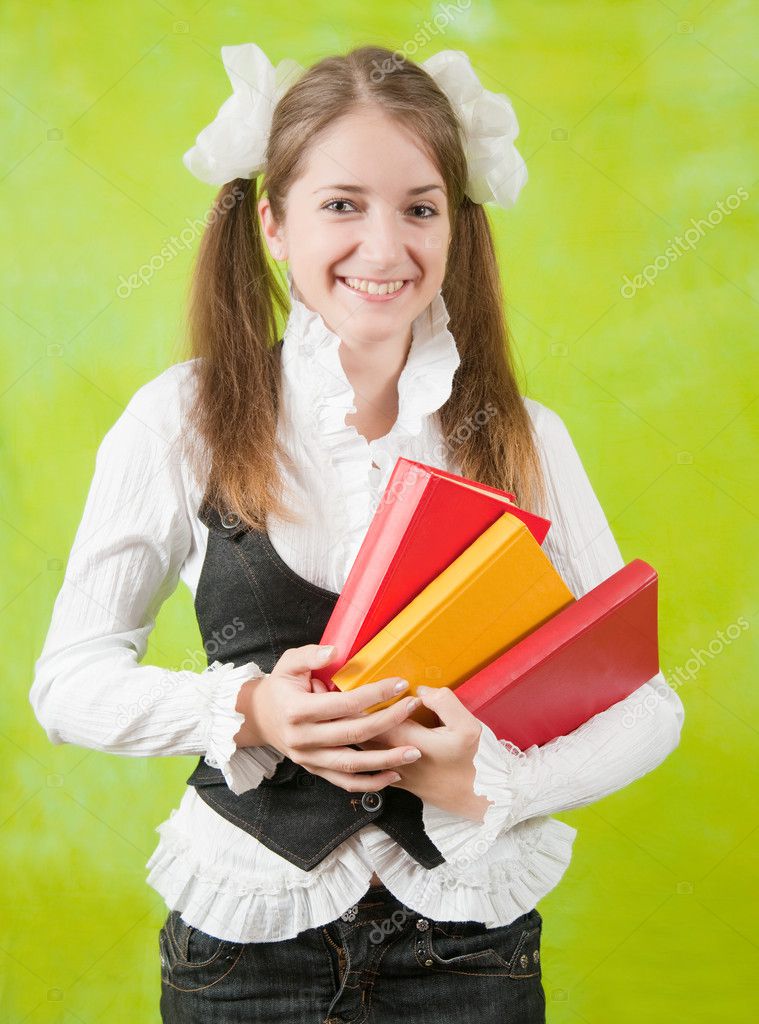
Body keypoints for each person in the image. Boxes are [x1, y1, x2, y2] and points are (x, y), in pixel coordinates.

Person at [29, 42, 685, 1023]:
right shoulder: (182, 418)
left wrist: (499, 779)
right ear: (273, 223)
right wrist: (248, 710)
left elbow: (649, 704)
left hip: (469, 954)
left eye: (419, 207)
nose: (384, 248)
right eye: (343, 204)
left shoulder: (519, 433)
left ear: (456, 229)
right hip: (244, 948)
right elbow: (67, 680)